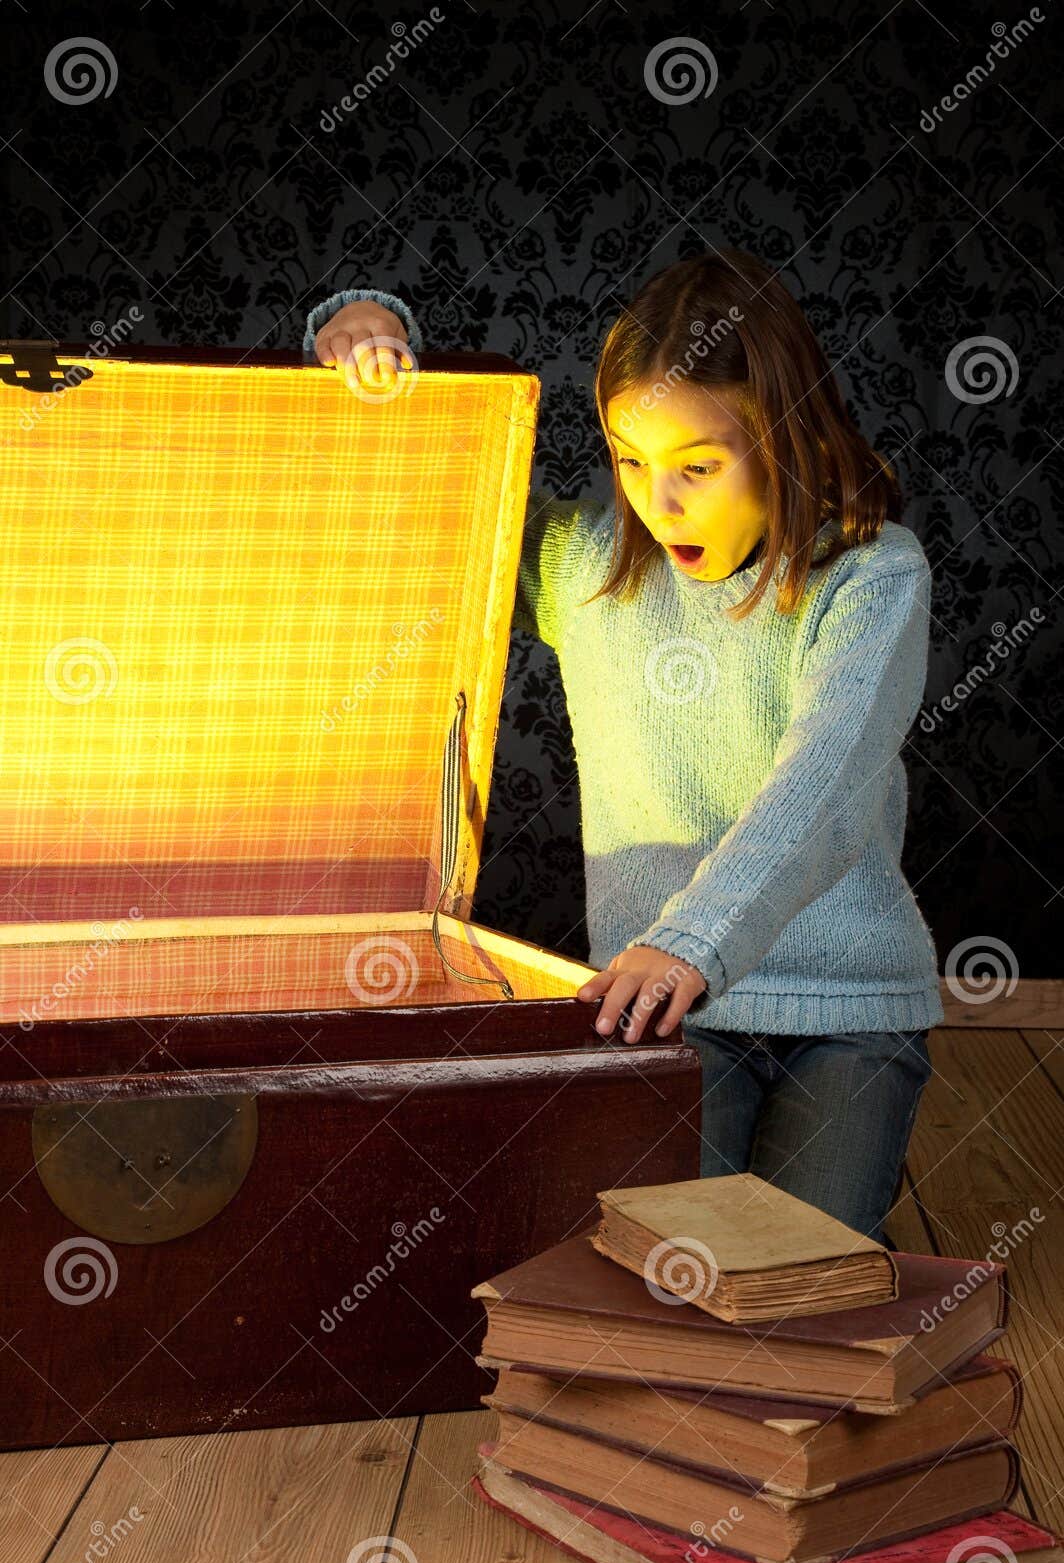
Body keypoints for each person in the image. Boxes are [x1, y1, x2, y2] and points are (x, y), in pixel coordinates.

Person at [303, 249, 941, 1243]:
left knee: (796, 1274)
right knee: (669, 1262)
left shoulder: (871, 574)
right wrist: (370, 353)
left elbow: (825, 781)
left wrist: (690, 941)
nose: (659, 501)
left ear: (785, 437)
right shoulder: (584, 566)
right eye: (631, 460)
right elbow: (432, 498)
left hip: (844, 1009)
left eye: (697, 466)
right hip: (663, 1014)